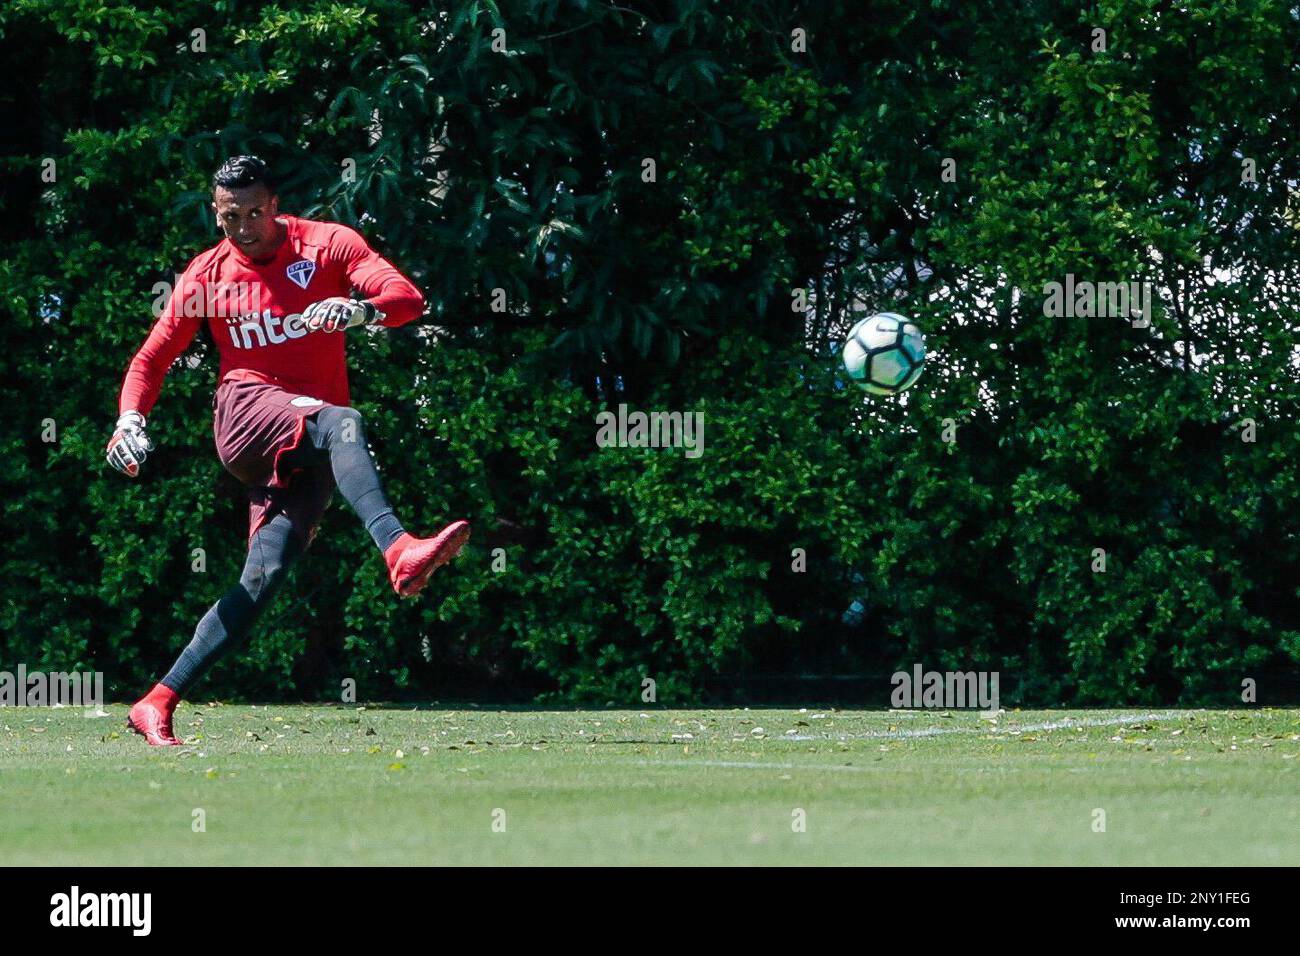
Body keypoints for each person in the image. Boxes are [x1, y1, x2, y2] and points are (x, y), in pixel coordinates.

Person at [107, 155, 469, 746]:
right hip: (246, 416)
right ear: (215, 213)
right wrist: (129, 421)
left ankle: (156, 699)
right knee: (344, 422)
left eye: (254, 211)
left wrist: (359, 310)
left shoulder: (328, 245)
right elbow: (152, 359)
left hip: (309, 439)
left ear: (275, 205)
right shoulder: (206, 275)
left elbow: (408, 300)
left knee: (264, 575)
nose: (244, 226)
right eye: (230, 215)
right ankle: (399, 549)